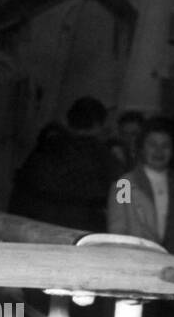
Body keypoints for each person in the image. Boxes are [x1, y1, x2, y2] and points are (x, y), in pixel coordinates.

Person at [8, 97, 114, 234]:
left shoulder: (45, 148)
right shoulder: (102, 156)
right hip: (80, 230)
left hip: (35, 226)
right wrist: (125, 207)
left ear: (68, 120)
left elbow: (22, 187)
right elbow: (123, 184)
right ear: (98, 124)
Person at [107, 116, 174, 255]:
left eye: (165, 145)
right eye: (152, 144)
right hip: (136, 259)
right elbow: (118, 228)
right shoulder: (125, 185)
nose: (159, 151)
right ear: (142, 148)